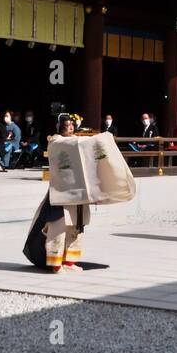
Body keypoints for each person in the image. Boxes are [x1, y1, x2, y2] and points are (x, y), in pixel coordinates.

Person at [23, 113, 136, 271]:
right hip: (62, 192)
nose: (69, 128)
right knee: (59, 228)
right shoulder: (55, 141)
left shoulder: (77, 140)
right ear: (59, 126)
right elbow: (73, 144)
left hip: (79, 190)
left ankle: (69, 261)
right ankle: (55, 262)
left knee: (76, 228)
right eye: (66, 125)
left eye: (71, 125)